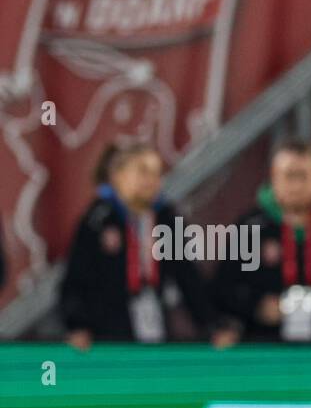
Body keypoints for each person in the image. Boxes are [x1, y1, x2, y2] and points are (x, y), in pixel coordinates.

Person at [60, 142, 227, 348]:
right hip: (107, 334)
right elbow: (75, 280)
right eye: (142, 172)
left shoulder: (165, 217)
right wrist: (78, 325)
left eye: (156, 173)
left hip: (154, 321)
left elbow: (187, 276)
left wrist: (212, 324)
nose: (151, 181)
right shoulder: (98, 220)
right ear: (118, 177)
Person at [214, 139, 311, 343]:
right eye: (289, 176)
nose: (297, 186)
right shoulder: (250, 228)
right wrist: (256, 307)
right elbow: (222, 290)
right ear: (274, 178)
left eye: (304, 176)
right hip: (262, 348)